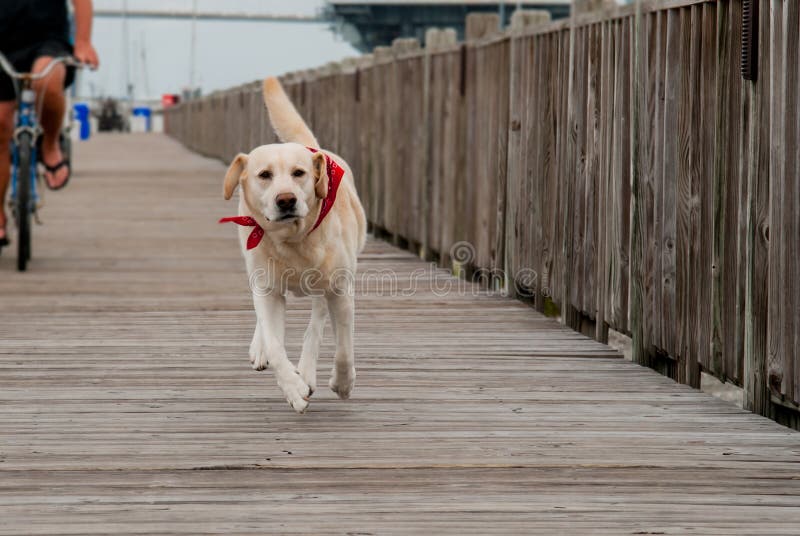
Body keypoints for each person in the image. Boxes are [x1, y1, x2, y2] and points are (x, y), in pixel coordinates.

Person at [0, 0, 99, 248]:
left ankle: (51, 143)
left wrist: (83, 42)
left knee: (47, 84)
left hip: (47, 40)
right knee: (0, 123)